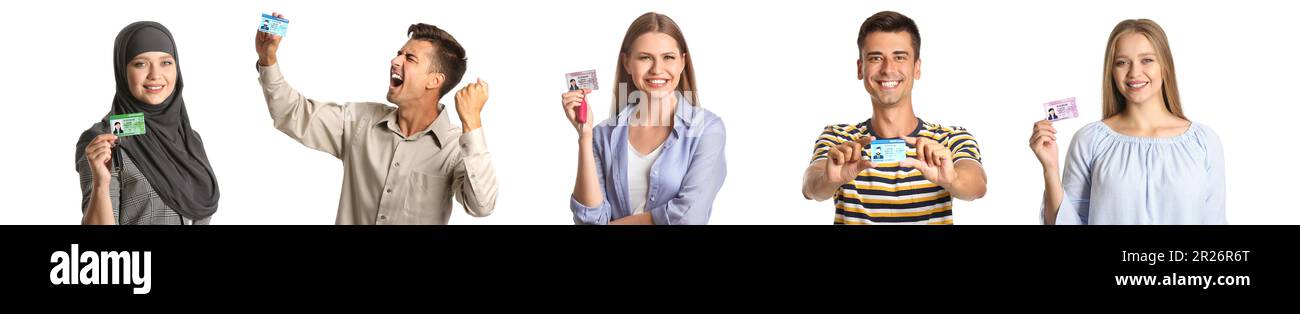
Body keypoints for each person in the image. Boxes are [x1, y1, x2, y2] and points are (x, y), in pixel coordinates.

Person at [254, 12, 497, 224]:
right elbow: (292, 113)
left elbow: (482, 206)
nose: (395, 61)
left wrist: (472, 122)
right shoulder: (359, 122)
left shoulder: (454, 148)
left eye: (410, 58)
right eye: (399, 54)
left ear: (434, 81)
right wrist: (268, 60)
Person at [1031, 19, 1225, 224]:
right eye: (1122, 62)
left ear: (1165, 65)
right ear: (1111, 72)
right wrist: (1050, 168)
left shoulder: (1204, 142)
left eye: (1147, 60)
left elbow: (1215, 220)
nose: (1134, 73)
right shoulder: (1089, 140)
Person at [801, 11, 987, 224]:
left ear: (917, 68)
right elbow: (810, 186)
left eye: (899, 57)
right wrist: (829, 179)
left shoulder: (950, 139)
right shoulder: (838, 139)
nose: (888, 69)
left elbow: (977, 186)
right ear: (860, 68)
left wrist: (952, 179)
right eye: (876, 58)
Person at [561, 12, 726, 225]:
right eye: (645, 57)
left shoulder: (707, 130)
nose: (657, 69)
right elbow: (589, 219)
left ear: (682, 62)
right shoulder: (602, 135)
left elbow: (688, 217)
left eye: (668, 57)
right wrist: (585, 136)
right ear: (627, 63)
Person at [76, 21, 220, 225]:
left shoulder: (189, 138)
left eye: (166, 62)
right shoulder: (102, 141)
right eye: (140, 64)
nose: (155, 75)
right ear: (122, 71)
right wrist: (101, 183)